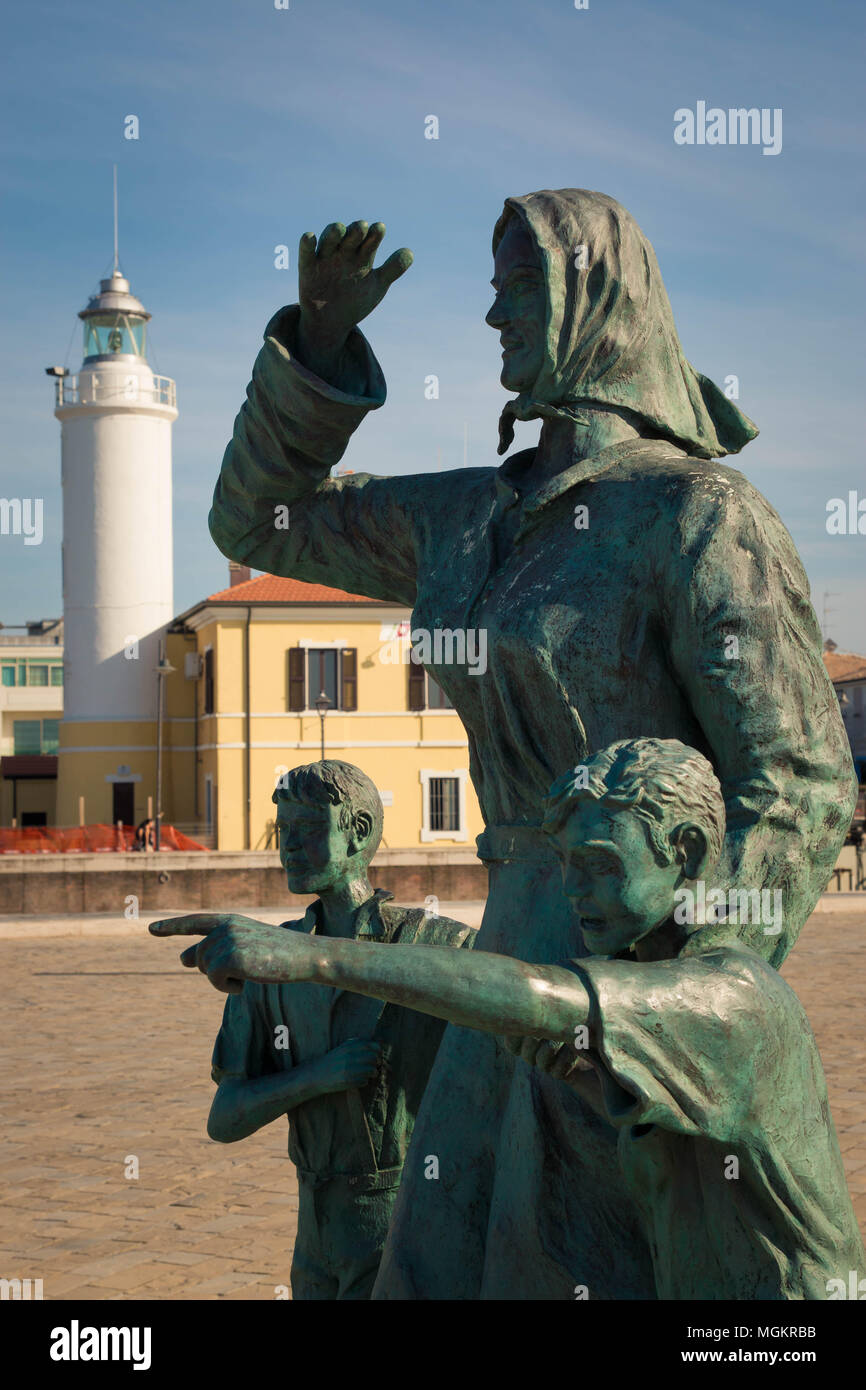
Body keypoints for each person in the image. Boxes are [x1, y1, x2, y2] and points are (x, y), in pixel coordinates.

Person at [198, 189, 856, 1299]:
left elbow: (795, 779)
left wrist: (682, 1007)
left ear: (593, 301)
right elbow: (253, 521)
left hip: (622, 966)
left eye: (519, 286)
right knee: (435, 1267)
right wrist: (315, 349)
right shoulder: (460, 517)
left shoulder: (694, 515)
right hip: (501, 961)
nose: (493, 314)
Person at [153, 740, 866, 1301]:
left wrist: (313, 958)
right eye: (565, 865)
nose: (573, 893)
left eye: (597, 865)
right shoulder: (658, 997)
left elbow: (541, 996)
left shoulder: (732, 998)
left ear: (686, 854)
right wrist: (591, 1085)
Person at [194, 760, 473, 1300]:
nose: (289, 848)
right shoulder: (266, 963)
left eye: (307, 829)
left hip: (405, 1227)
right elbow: (224, 1120)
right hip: (314, 1235)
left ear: (358, 833)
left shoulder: (438, 945)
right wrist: (315, 1078)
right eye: (283, 832)